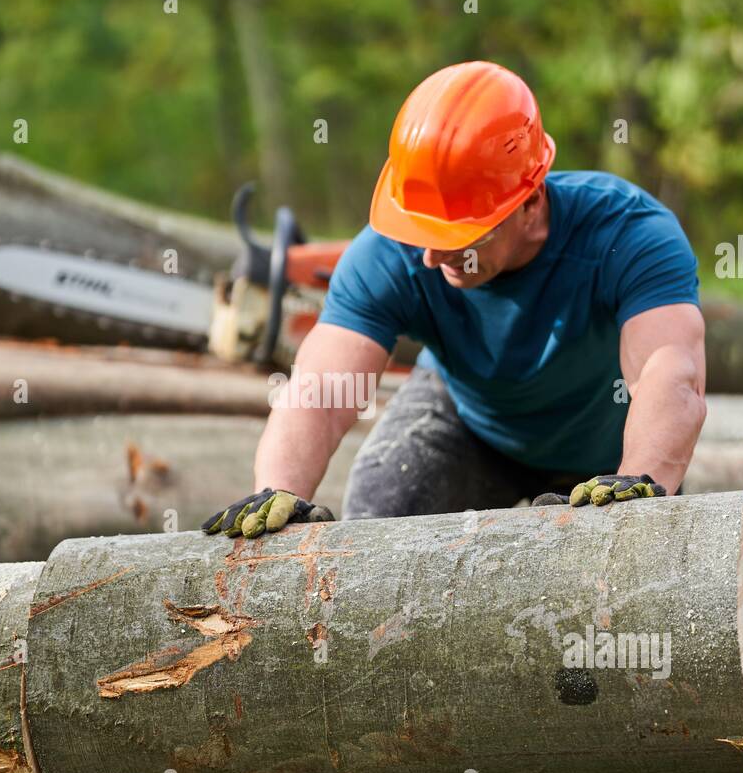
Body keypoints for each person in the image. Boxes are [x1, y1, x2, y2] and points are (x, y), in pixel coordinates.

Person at [203, 60, 706, 540]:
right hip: (466, 421)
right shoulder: (388, 253)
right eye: (419, 230)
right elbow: (322, 386)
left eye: (459, 234)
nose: (429, 255)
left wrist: (640, 480)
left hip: (608, 455)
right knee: (380, 522)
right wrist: (279, 488)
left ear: (529, 203)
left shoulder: (631, 234)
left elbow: (671, 372)